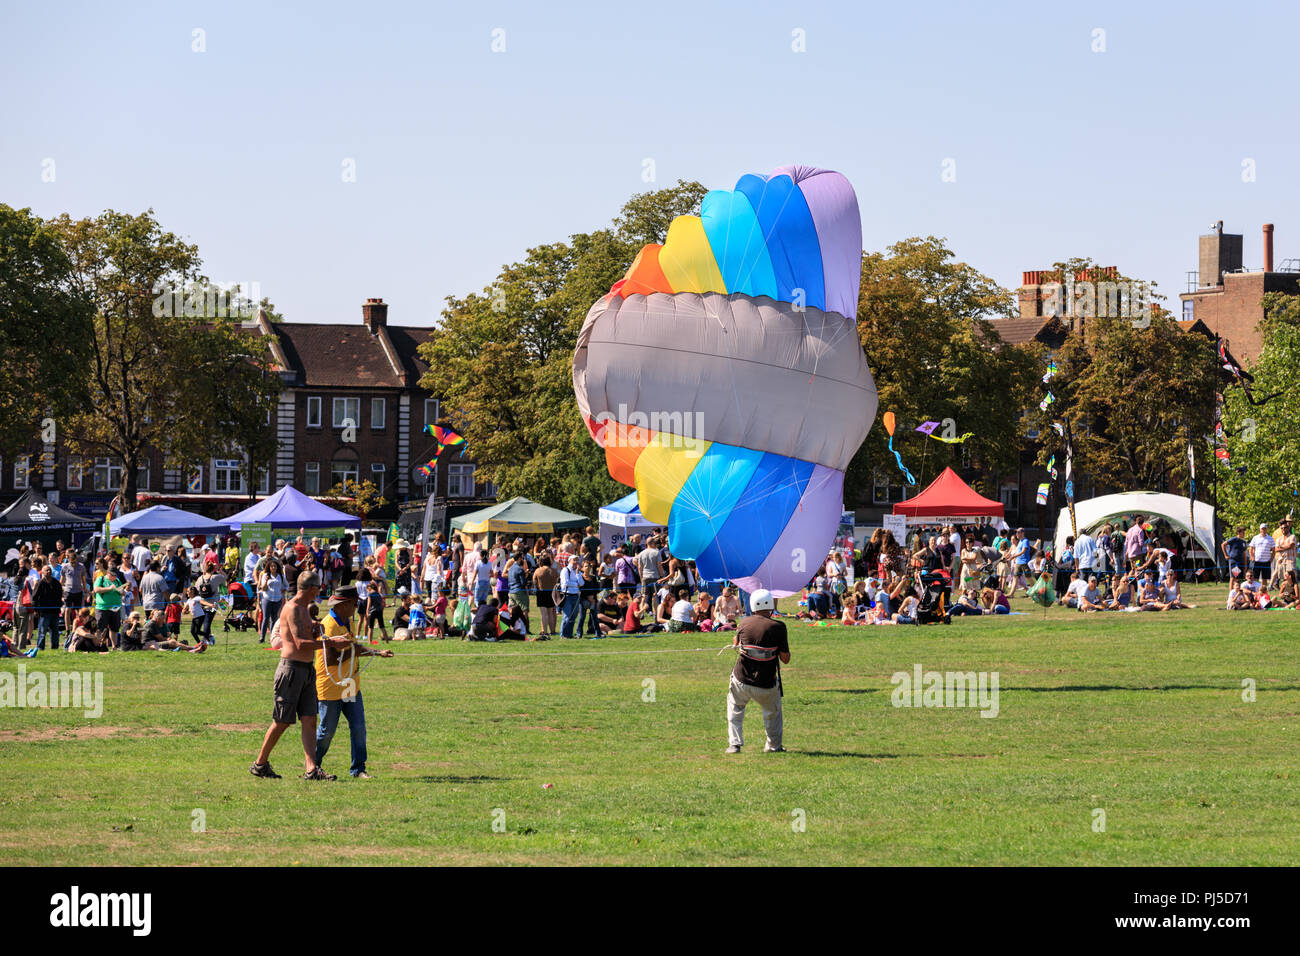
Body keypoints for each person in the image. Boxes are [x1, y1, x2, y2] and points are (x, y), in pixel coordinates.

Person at [251, 572, 352, 780]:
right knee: (282, 721)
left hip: (306, 669)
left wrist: (317, 631)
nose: (320, 592)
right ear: (312, 588)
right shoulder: (294, 609)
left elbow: (307, 638)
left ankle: (311, 769)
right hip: (291, 670)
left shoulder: (306, 610)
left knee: (309, 719)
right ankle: (260, 764)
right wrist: (332, 642)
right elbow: (298, 644)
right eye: (319, 588)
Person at [314, 585, 392, 779]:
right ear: (344, 604)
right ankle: (313, 766)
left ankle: (358, 769)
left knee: (358, 727)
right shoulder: (328, 625)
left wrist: (376, 652)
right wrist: (353, 650)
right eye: (355, 604)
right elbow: (331, 659)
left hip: (350, 685)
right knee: (326, 732)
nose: (356, 608)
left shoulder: (347, 622)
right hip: (331, 687)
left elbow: (352, 648)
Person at [725, 589, 789, 754]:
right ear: (771, 605)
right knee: (773, 714)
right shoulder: (778, 626)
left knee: (735, 708)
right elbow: (785, 658)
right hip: (766, 682)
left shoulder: (744, 623)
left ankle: (734, 744)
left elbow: (735, 642)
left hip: (741, 679)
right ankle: (774, 746)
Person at [558, 554, 583, 638]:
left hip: (575, 596)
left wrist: (578, 574)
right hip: (567, 595)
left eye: (577, 560)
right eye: (574, 560)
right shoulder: (565, 570)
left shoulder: (577, 571)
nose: (576, 562)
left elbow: (582, 583)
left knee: (574, 616)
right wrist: (576, 584)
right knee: (567, 616)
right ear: (569, 561)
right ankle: (563, 634)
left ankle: (569, 634)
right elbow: (565, 583)